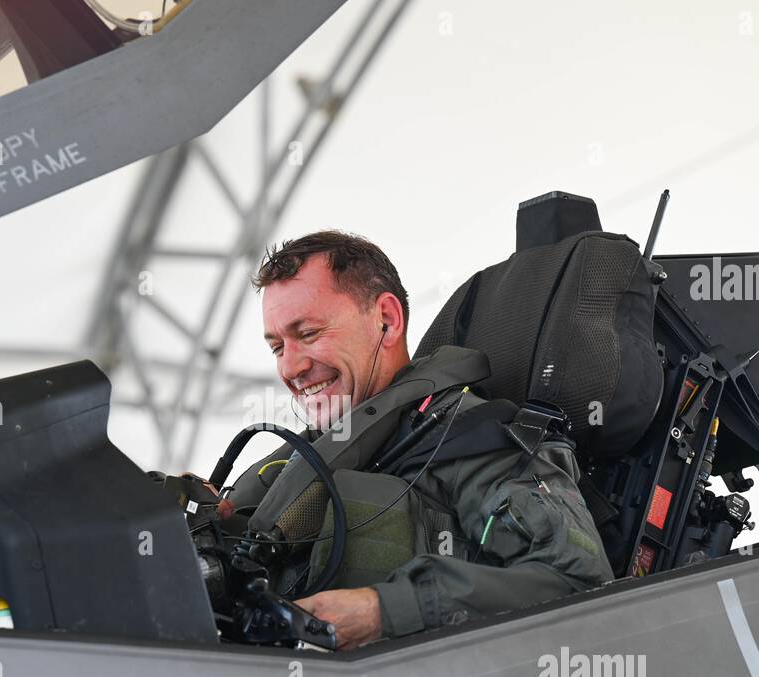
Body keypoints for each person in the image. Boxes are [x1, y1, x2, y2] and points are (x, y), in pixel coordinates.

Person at [219, 231, 612, 650]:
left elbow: (580, 583)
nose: (291, 367)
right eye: (278, 346)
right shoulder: (302, 463)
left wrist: (383, 613)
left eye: (310, 333)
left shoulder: (468, 441)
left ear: (386, 320)